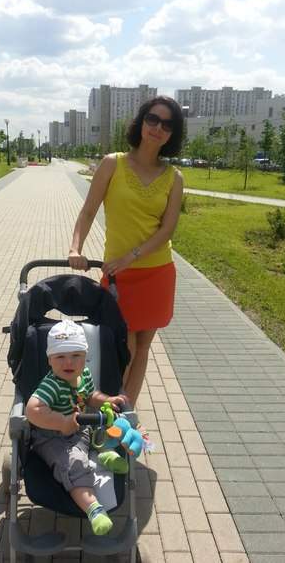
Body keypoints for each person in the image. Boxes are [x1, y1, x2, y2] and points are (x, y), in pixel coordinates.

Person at [68, 95, 184, 420]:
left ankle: (125, 418)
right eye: (152, 118)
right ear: (141, 121)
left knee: (143, 347)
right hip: (119, 276)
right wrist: (75, 248)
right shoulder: (112, 163)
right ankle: (112, 411)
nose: (158, 127)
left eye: (167, 124)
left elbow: (167, 229)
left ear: (173, 132)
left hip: (157, 271)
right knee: (125, 349)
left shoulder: (174, 177)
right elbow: (88, 211)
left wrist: (132, 256)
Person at [25, 319, 129, 536]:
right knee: (74, 464)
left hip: (79, 428)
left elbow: (91, 396)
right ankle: (94, 508)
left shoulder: (85, 375)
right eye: (60, 357)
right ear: (50, 360)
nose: (68, 362)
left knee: (105, 430)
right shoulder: (52, 384)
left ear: (85, 356)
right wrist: (61, 422)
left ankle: (104, 454)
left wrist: (106, 400)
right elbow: (32, 410)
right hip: (53, 438)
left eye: (76, 355)